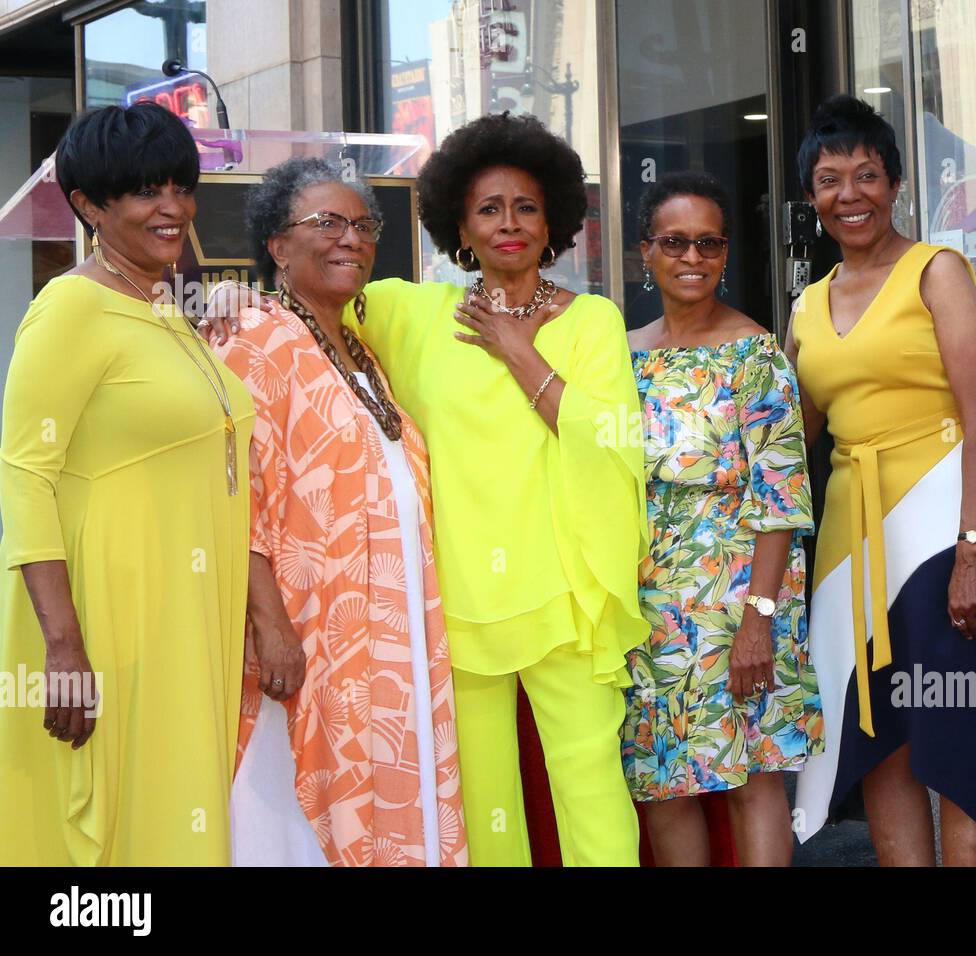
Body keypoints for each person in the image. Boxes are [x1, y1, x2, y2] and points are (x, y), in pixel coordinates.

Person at [206, 112, 646, 866]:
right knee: (483, 805)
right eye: (488, 210)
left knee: (593, 789)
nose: (509, 224)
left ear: (554, 223)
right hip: (454, 604)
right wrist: (230, 303)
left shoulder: (594, 320)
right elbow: (313, 307)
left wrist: (518, 351)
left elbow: (611, 438)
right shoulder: (411, 311)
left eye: (527, 208)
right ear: (460, 230)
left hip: (563, 594)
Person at [787, 95, 976, 865]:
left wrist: (972, 550)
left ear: (897, 183)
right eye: (829, 179)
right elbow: (788, 443)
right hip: (855, 546)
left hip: (955, 529)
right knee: (883, 740)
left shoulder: (936, 271)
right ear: (811, 198)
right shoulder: (806, 308)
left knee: (964, 729)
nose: (850, 195)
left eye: (867, 174)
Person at [0, 103, 255, 865]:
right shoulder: (71, 307)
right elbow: (23, 472)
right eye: (145, 191)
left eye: (181, 186)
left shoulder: (165, 308)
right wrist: (65, 648)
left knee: (175, 810)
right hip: (110, 612)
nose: (172, 207)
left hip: (186, 607)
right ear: (88, 206)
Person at [212, 158, 467, 866]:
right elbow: (239, 497)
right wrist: (270, 625)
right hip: (305, 630)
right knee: (287, 817)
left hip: (387, 627)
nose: (348, 238)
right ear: (277, 245)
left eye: (362, 225)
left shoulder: (359, 347)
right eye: (325, 222)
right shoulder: (253, 336)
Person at [624, 171, 822, 866]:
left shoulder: (756, 354)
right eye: (675, 243)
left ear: (726, 253)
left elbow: (782, 499)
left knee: (754, 773)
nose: (692, 258)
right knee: (664, 781)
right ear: (644, 251)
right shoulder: (624, 355)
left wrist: (759, 622)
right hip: (651, 603)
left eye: (708, 243)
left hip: (743, 597)